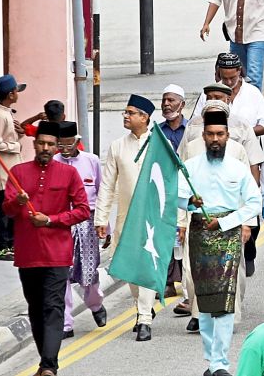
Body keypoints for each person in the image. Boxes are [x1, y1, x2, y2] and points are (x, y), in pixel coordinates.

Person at [4, 121, 91, 376]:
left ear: (57, 147)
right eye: (41, 143)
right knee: (35, 308)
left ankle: (48, 366)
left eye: (50, 144)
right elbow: (7, 210)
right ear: (34, 144)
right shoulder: (18, 172)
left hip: (57, 254)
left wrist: (51, 220)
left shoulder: (69, 174)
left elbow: (83, 210)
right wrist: (18, 202)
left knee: (53, 307)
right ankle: (46, 362)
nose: (45, 147)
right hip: (28, 254)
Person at [180, 110, 263, 376]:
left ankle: (220, 362)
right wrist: (189, 202)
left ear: (227, 136)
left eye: (220, 134)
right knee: (204, 300)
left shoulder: (237, 168)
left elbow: (254, 203)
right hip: (200, 233)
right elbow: (175, 197)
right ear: (203, 136)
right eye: (210, 134)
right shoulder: (191, 167)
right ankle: (211, 359)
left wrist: (228, 222)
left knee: (226, 299)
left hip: (228, 236)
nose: (215, 139)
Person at [95, 95, 159, 341]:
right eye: (125, 111)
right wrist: (101, 218)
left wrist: (178, 219)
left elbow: (171, 182)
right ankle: (143, 306)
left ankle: (144, 318)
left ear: (144, 117)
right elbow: (107, 184)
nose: (125, 116)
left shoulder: (159, 144)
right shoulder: (117, 146)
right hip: (126, 217)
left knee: (146, 265)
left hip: (152, 218)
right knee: (131, 268)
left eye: (131, 112)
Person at [54, 122, 107, 338]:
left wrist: (105, 224)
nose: (65, 149)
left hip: (88, 221)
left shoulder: (91, 160)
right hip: (63, 222)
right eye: (61, 145)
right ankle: (66, 323)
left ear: (77, 141)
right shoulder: (54, 163)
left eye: (69, 144)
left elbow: (102, 192)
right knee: (63, 273)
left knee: (89, 271)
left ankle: (96, 305)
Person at [0, 74, 25, 261]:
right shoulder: (0, 116)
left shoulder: (7, 113)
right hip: (3, 169)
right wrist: (16, 146)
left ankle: (11, 243)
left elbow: (8, 138)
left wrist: (19, 135)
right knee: (4, 209)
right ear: (11, 94)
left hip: (10, 168)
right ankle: (1, 246)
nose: (18, 94)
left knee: (11, 207)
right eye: (16, 91)